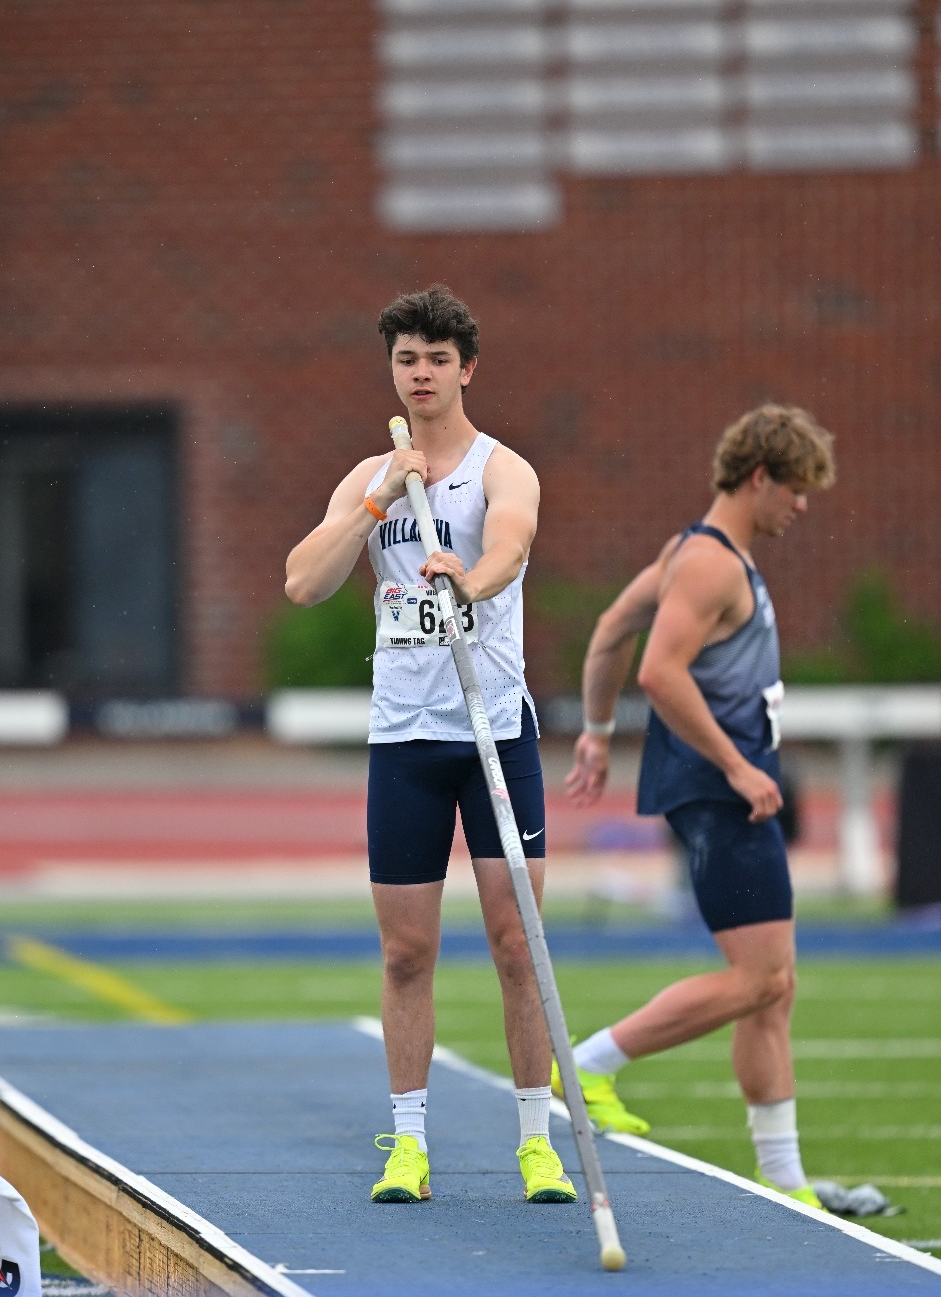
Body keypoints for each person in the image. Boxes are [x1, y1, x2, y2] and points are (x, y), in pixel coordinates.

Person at [285, 283, 575, 1208]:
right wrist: (371, 509)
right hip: (406, 736)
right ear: (393, 370)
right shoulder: (372, 475)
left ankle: (536, 1142)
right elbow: (303, 583)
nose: (420, 375)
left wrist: (468, 579)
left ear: (465, 369)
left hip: (493, 729)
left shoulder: (501, 469)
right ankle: (407, 1141)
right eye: (405, 360)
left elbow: (514, 548)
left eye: (436, 361)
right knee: (406, 951)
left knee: (516, 943)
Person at [562, 404, 836, 1205]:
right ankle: (585, 1067)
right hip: (723, 791)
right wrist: (737, 768)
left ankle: (786, 1181)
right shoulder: (712, 564)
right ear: (758, 478)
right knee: (757, 978)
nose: (802, 505)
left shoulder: (689, 550)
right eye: (795, 488)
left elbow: (613, 627)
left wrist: (595, 731)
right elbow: (658, 669)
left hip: (719, 787)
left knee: (771, 985)